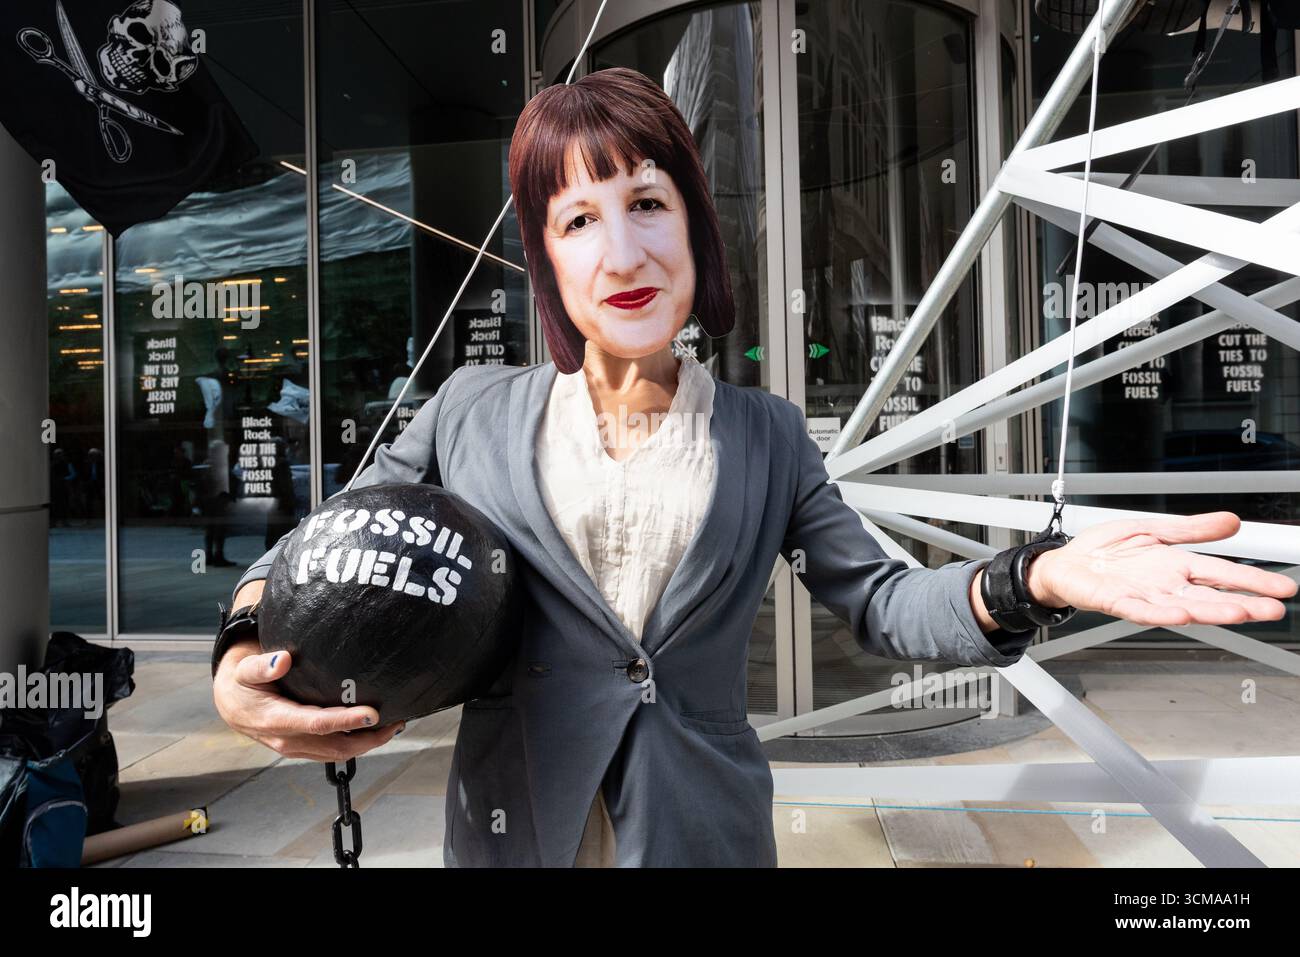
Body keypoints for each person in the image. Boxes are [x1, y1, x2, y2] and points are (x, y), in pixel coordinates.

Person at [211, 67, 1297, 867]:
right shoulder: (468, 410)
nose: (622, 252)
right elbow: (328, 544)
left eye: (646, 203)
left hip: (701, 833)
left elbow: (881, 604)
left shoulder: (766, 434)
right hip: (516, 831)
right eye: (578, 220)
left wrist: (1035, 578)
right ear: (547, 260)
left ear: (693, 228)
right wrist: (241, 653)